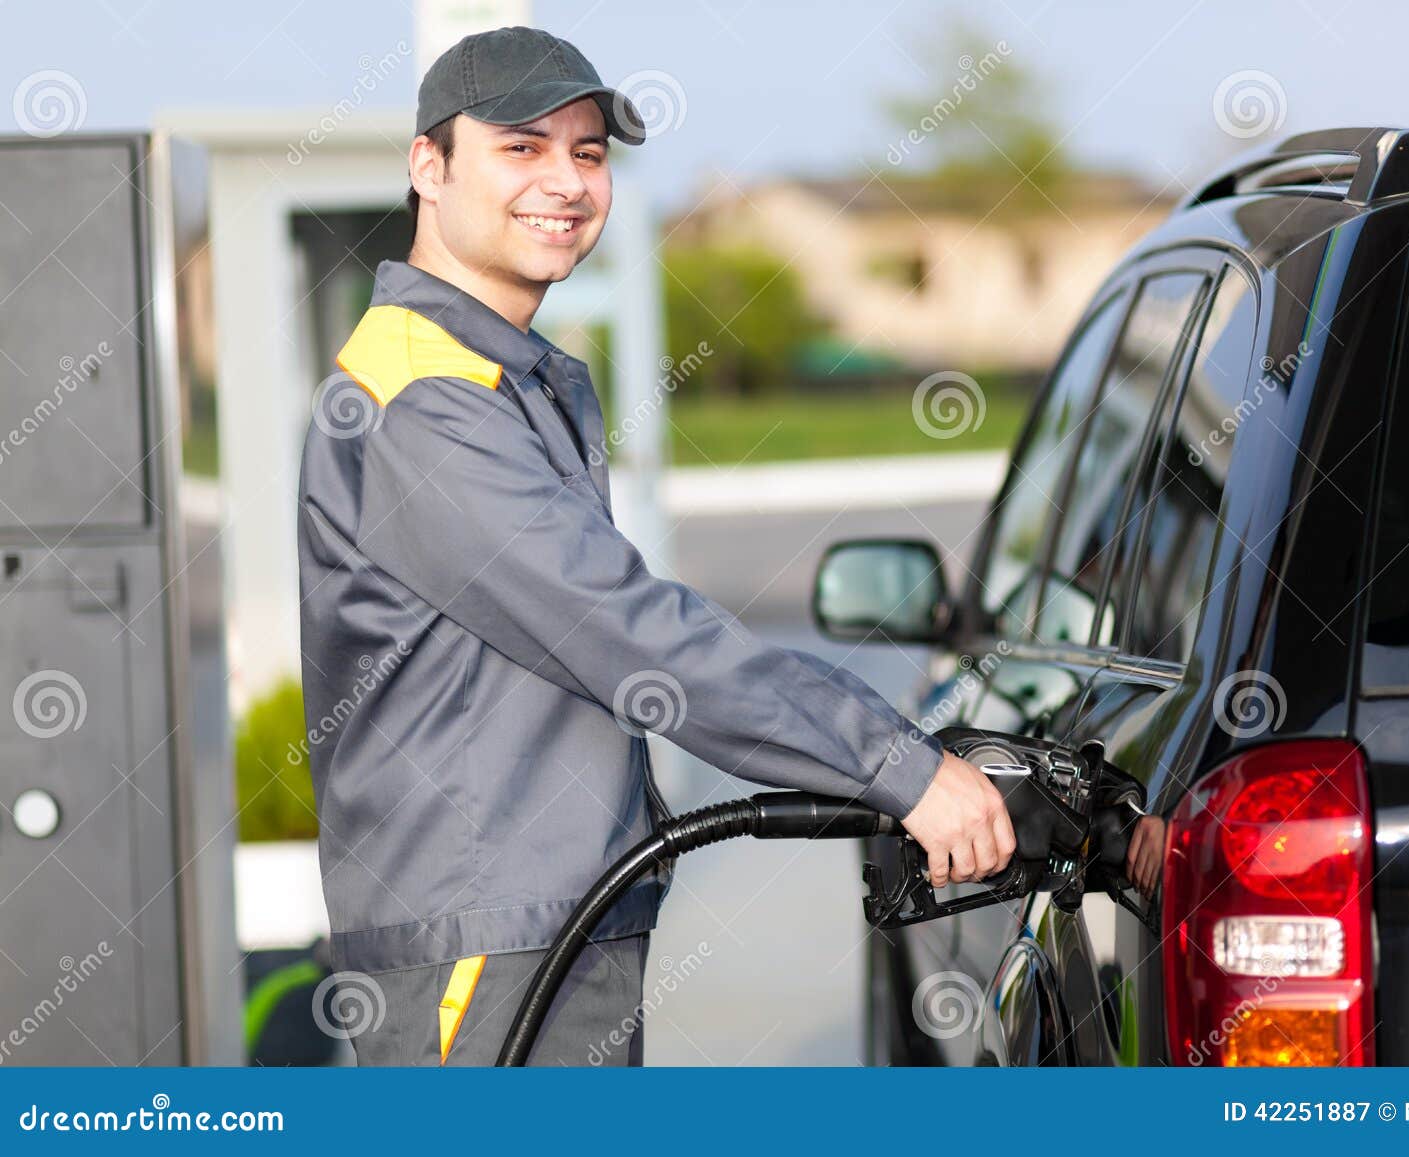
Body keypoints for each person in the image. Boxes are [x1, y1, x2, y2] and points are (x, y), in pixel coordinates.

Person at [296, 25, 1015, 1068]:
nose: (566, 181)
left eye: (587, 153)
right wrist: (899, 767)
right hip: (486, 952)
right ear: (428, 167)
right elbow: (633, 633)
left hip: (543, 929)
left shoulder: (500, 378)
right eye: (522, 147)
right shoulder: (423, 403)